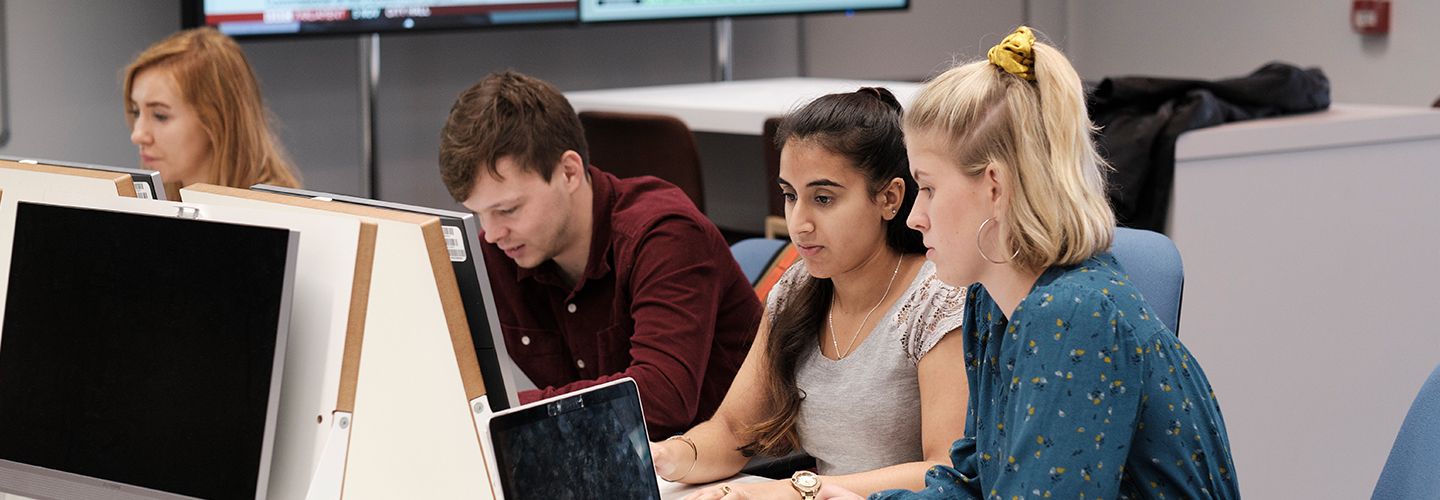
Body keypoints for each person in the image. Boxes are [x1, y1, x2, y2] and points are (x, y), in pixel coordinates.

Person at [818, 27, 1237, 500]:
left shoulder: (1075, 314)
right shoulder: (989, 303)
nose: (916, 217)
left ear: (994, 187)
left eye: (929, 188)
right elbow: (974, 482)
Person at [653, 88, 969, 499]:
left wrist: (796, 491)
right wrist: (669, 455)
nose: (798, 223)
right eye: (789, 196)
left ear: (889, 198)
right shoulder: (797, 287)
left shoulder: (938, 298)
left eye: (823, 198)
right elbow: (733, 430)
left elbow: (943, 471)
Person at [437, 70, 761, 437]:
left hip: (736, 469)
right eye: (479, 212)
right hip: (627, 462)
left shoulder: (664, 235)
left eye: (509, 210)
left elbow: (660, 399)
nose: (492, 233)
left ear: (569, 172)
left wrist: (505, 412)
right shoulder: (501, 250)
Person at [124, 27, 300, 189]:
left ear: (216, 119)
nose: (137, 135)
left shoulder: (277, 216)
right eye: (136, 112)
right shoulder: (160, 204)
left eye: (160, 116)